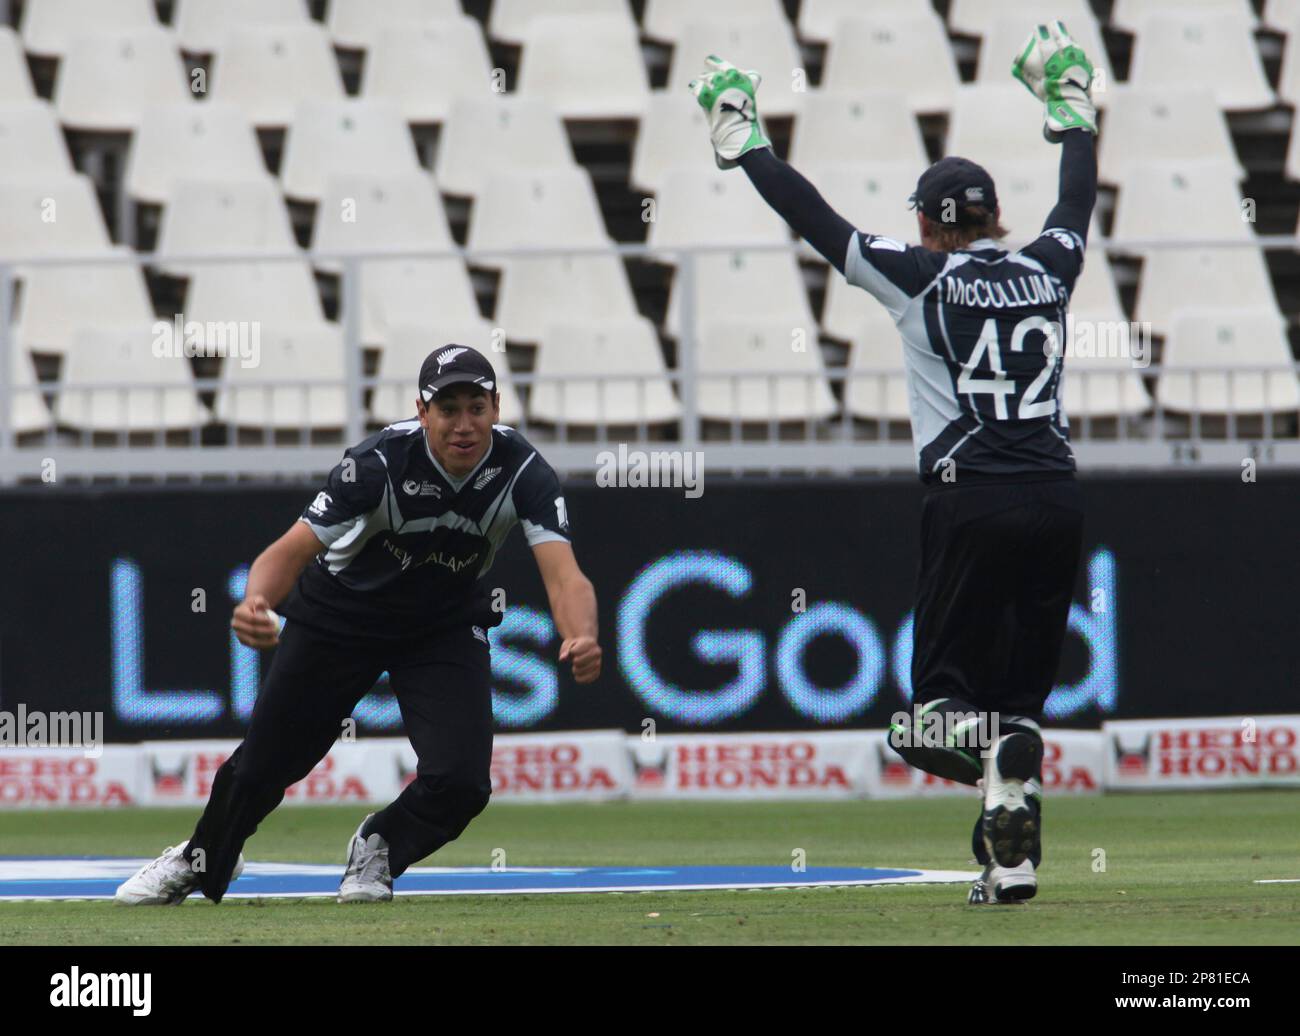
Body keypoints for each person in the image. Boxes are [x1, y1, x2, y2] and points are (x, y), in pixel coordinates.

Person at [689, 23, 1098, 904]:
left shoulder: (917, 278)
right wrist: (1073, 113)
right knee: (1018, 702)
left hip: (970, 501)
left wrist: (745, 137)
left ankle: (997, 763)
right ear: (994, 218)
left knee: (929, 720)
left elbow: (814, 220)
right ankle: (1012, 860)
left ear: (926, 220)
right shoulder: (1050, 270)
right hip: (1057, 496)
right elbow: (1076, 203)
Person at [116, 344, 602, 905]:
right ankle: (200, 859)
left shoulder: (524, 471)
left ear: (497, 406)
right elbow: (290, 550)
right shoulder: (377, 464)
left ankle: (380, 846)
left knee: (462, 782)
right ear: (422, 413)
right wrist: (257, 602)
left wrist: (581, 634)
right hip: (338, 617)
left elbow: (566, 578)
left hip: (439, 625)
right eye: (448, 410)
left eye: (476, 407)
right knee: (263, 768)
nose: (463, 425)